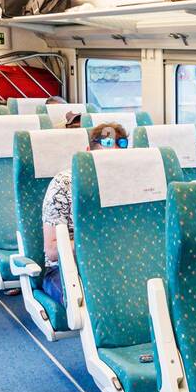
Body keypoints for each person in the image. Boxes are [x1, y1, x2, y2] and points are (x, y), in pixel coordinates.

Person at [39, 122, 128, 302]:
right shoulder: (64, 183)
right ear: (88, 152)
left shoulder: (128, 184)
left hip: (116, 264)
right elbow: (52, 251)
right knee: (100, 302)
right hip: (65, 268)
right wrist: (97, 243)